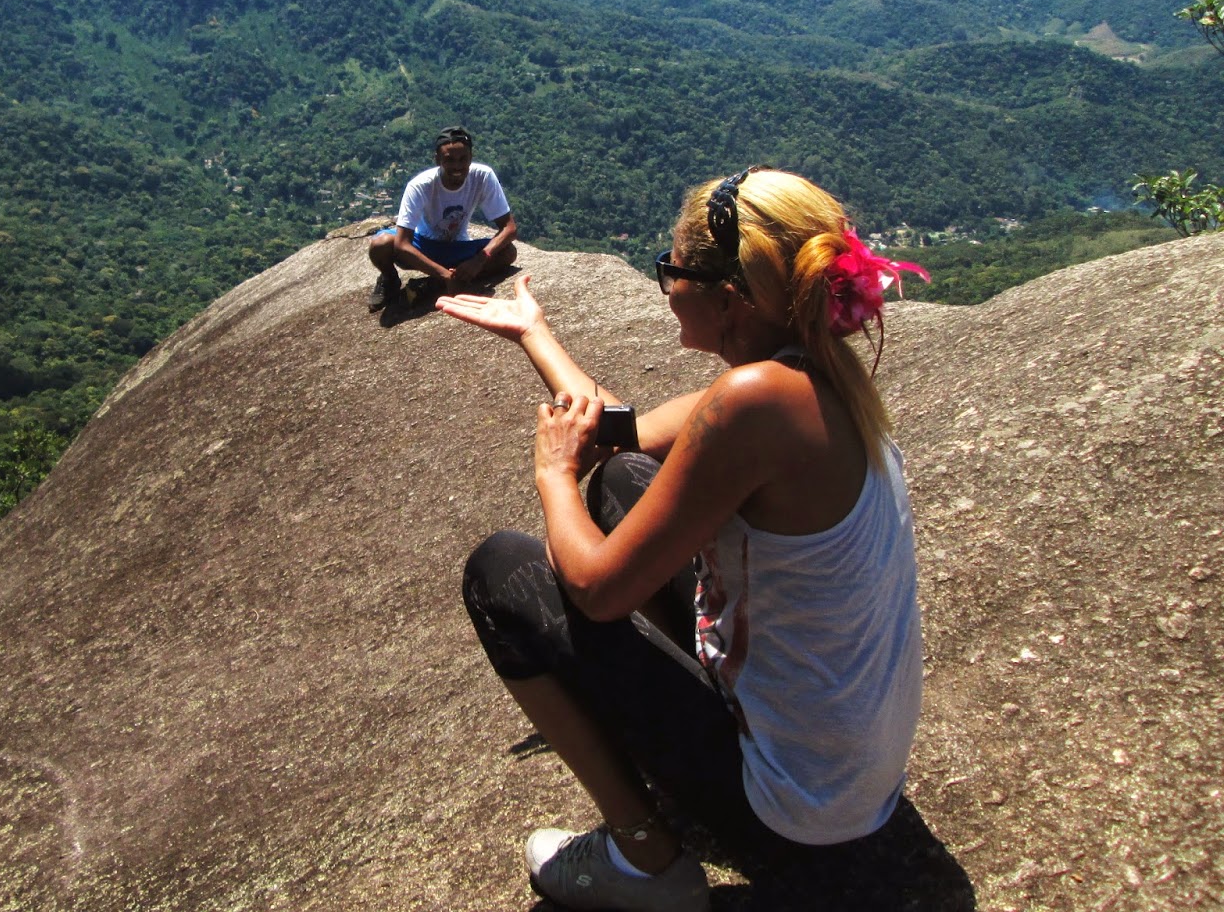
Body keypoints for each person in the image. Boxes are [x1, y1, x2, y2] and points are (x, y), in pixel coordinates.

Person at [437, 167, 928, 911]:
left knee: (500, 572)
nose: (664, 285)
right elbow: (620, 435)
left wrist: (550, 476)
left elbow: (599, 591)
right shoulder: (803, 375)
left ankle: (645, 857)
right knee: (620, 481)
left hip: (797, 818)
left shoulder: (749, 402)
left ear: (727, 298)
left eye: (671, 271)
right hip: (850, 788)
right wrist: (533, 333)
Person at [367, 126, 517, 312]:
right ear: (437, 159)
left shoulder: (483, 176)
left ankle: (432, 285)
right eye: (449, 160)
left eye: (463, 159)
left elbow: (509, 228)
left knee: (508, 252)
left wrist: (479, 259)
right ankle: (390, 279)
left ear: (471, 157)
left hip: (457, 248)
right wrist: (444, 274)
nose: (457, 166)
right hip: (422, 246)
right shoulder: (420, 185)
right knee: (380, 245)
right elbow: (402, 245)